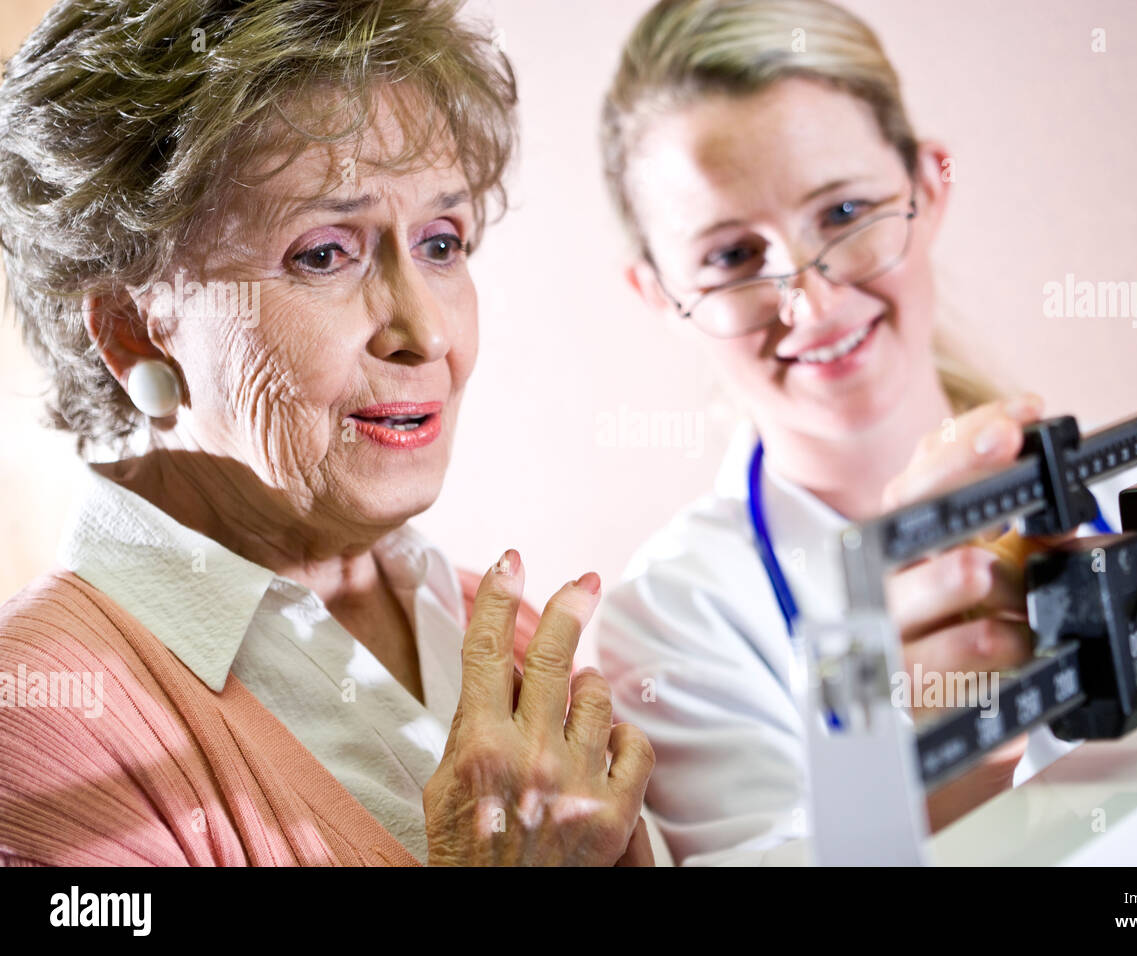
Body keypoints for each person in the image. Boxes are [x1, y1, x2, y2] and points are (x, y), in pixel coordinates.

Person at [0, 0, 653, 866]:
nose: (426, 332)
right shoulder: (43, 714)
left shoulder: (495, 630)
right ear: (133, 328)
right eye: (323, 254)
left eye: (442, 243)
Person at [594, 0, 1137, 865]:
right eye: (732, 256)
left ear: (929, 184)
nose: (812, 301)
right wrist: (935, 767)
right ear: (659, 295)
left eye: (844, 213)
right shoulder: (671, 622)